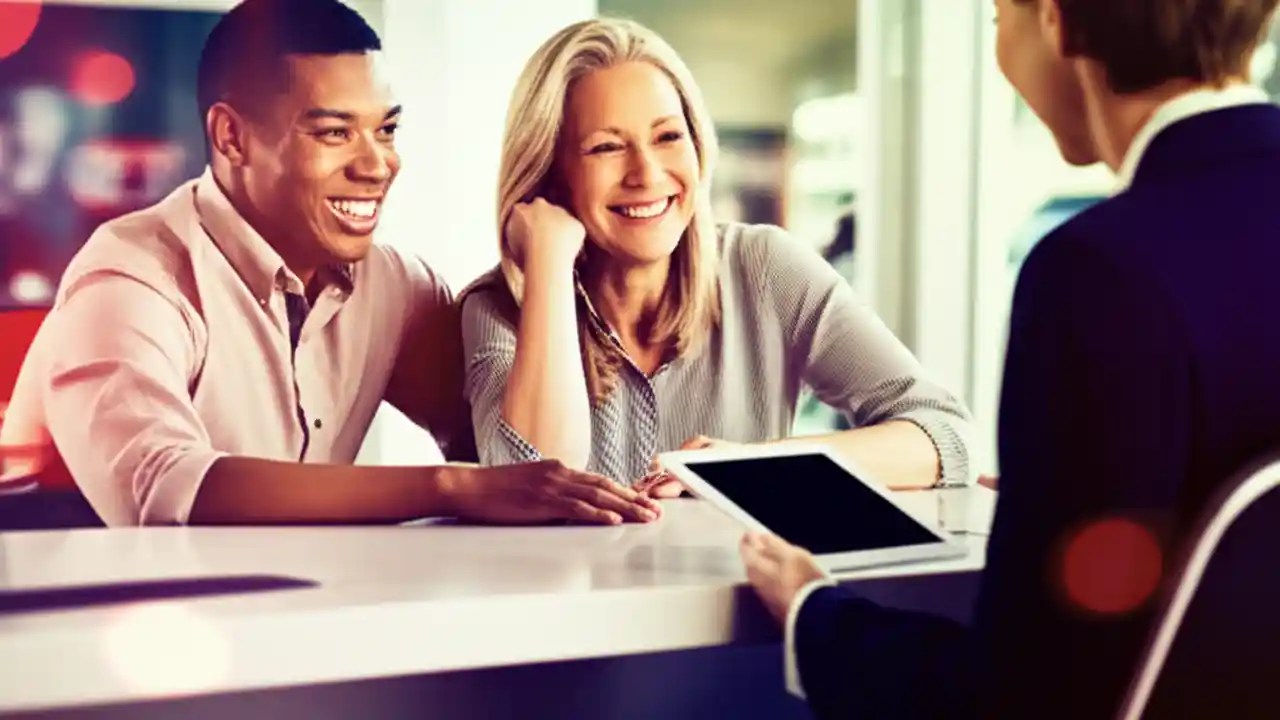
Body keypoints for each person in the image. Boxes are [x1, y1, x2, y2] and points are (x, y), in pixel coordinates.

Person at [741, 0, 1280, 717]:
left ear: (1055, 21)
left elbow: (1022, 697)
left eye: (997, 19)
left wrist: (814, 613)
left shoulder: (1100, 272)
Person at [0, 0, 659, 528]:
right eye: (335, 132)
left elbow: (519, 463)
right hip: (66, 643)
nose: (377, 165)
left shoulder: (395, 286)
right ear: (232, 137)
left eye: (387, 130)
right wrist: (453, 487)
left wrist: (548, 265)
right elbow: (162, 486)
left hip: (272, 633)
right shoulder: (131, 274)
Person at [460, 18, 974, 496]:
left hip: (742, 595)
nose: (646, 172)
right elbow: (531, 483)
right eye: (606, 147)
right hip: (574, 598)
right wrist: (547, 261)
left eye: (667, 137)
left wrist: (751, 467)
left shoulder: (765, 268)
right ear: (550, 174)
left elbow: (946, 436)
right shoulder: (497, 308)